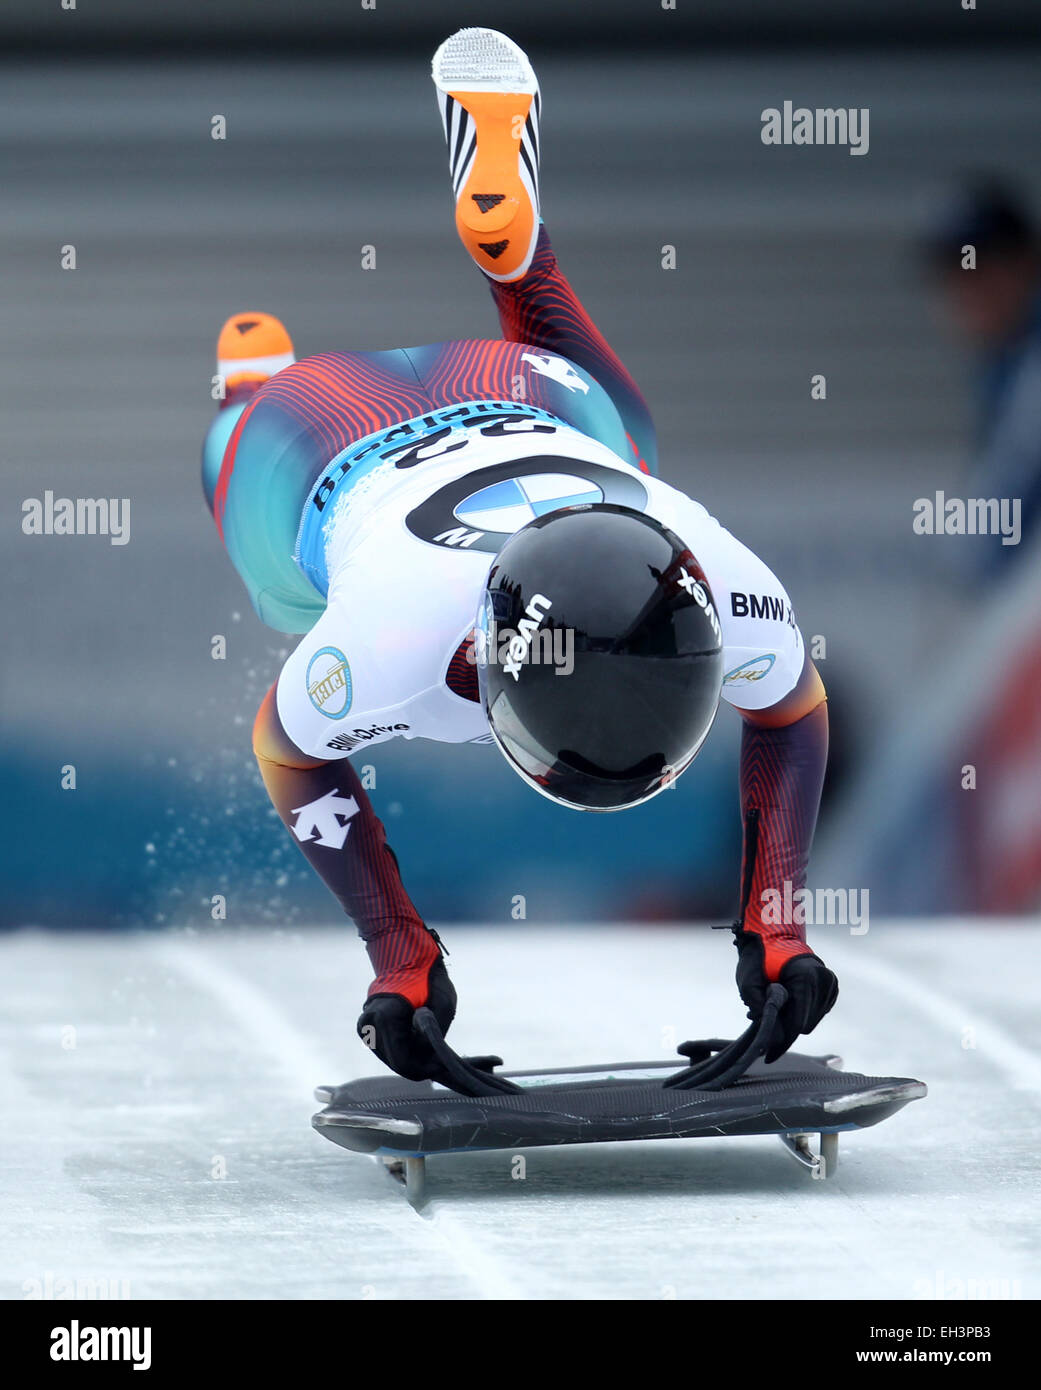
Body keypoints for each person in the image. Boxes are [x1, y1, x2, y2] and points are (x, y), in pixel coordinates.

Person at [200, 27, 837, 1080]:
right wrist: (779, 923)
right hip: (328, 424)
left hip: (511, 391)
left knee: (632, 438)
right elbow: (286, 745)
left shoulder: (728, 589)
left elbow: (789, 702)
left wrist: (400, 960)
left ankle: (515, 261)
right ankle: (248, 389)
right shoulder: (390, 637)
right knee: (279, 584)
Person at [922, 178, 1041, 574]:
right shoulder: (1002, 367)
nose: (965, 289)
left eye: (978, 267)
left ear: (1025, 265)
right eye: (952, 273)